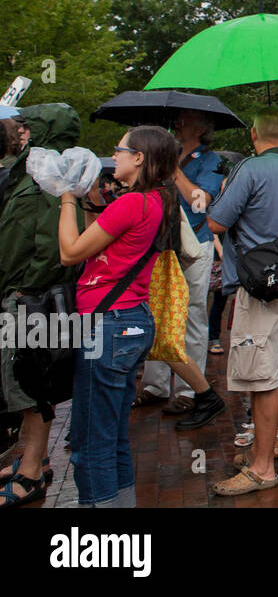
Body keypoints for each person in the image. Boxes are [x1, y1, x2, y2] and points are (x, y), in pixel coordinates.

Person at [58, 125, 184, 506]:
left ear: (140, 158)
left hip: (108, 326)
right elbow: (95, 243)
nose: (115, 157)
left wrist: (66, 197)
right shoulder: (156, 200)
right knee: (112, 435)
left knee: (89, 441)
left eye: (120, 150)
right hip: (129, 320)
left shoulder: (133, 203)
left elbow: (70, 252)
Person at [205, 110, 278, 496]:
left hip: (259, 285)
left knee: (260, 372)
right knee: (276, 368)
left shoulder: (249, 169)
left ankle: (263, 467)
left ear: (253, 134)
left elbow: (217, 222)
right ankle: (261, 450)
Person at [0, 104, 80, 507]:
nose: (20, 133)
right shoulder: (34, 171)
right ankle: (33, 458)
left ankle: (32, 471)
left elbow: (51, 248)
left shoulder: (50, 176)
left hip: (30, 298)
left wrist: (23, 290)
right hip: (22, 294)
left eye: (27, 126)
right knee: (27, 380)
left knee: (28, 384)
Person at [136, 110, 227, 427]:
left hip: (193, 243)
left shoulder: (211, 160)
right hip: (160, 241)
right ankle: (155, 384)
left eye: (186, 120)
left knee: (192, 314)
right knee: (155, 310)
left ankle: (190, 389)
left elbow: (201, 202)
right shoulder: (165, 151)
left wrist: (174, 171)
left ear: (203, 128)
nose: (178, 122)